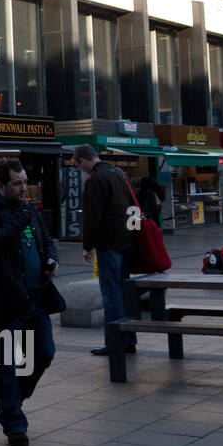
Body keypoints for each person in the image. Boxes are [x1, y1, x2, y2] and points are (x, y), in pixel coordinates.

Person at [0, 158, 62, 446]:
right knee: (4, 364)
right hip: (3, 299)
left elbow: (46, 238)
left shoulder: (26, 208)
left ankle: (14, 400)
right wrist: (18, 220)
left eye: (24, 182)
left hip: (35, 297)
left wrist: (51, 258)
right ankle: (13, 424)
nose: (23, 188)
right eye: (17, 184)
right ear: (0, 185)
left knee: (44, 353)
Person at [72, 144, 137, 356]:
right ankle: (129, 339)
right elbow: (132, 206)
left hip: (108, 244)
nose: (82, 170)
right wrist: (132, 235)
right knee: (123, 292)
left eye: (80, 166)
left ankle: (115, 342)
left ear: (83, 160)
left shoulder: (95, 180)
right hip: (125, 242)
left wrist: (87, 246)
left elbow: (92, 217)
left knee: (111, 295)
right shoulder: (117, 174)